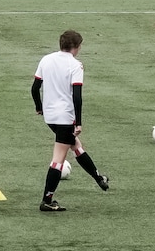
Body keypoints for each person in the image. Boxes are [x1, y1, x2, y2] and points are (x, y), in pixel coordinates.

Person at [31, 29, 110, 211]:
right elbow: (77, 97)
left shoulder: (46, 59)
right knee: (58, 158)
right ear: (76, 47)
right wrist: (79, 121)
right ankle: (47, 200)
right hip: (65, 116)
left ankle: (99, 178)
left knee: (76, 145)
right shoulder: (75, 65)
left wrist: (39, 107)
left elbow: (35, 89)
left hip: (50, 116)